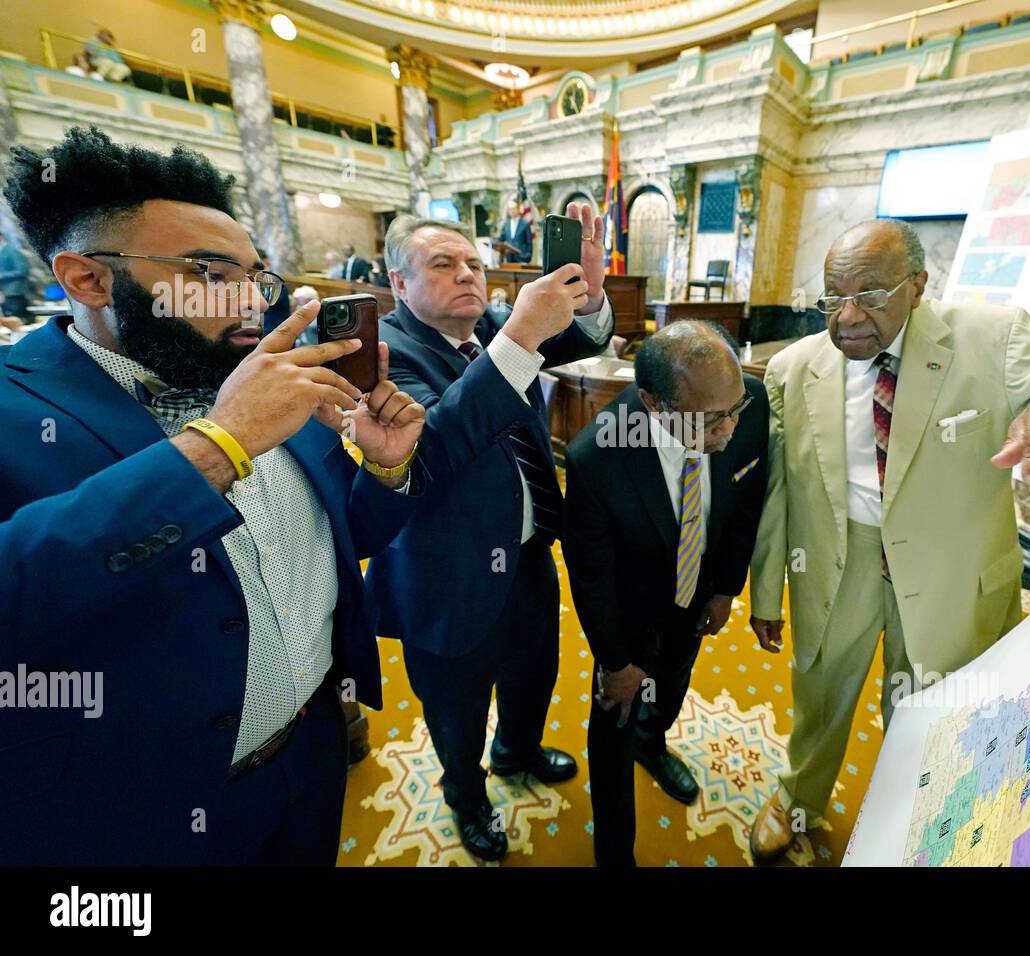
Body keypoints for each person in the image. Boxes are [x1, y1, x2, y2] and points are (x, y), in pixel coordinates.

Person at [0, 127, 434, 865]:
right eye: (207, 272)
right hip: (139, 819)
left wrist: (386, 471)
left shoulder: (267, 377)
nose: (249, 303)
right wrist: (217, 445)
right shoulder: (16, 409)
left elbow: (339, 538)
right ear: (87, 279)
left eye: (256, 276)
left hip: (311, 753)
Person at [746, 218, 1030, 865]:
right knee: (820, 697)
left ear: (918, 285)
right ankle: (798, 799)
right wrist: (766, 595)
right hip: (838, 566)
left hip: (951, 574)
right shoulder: (790, 368)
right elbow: (779, 491)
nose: (847, 317)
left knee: (935, 712)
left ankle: (913, 825)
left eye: (869, 294)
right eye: (832, 297)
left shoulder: (994, 338)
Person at [366, 203, 613, 862]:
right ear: (398, 283)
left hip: (529, 553)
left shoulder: (495, 332)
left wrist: (587, 294)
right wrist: (522, 335)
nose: (467, 275)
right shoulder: (383, 355)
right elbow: (437, 444)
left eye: (474, 263)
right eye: (443, 265)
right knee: (457, 706)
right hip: (445, 576)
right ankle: (465, 797)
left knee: (534, 671)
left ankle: (518, 752)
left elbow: (582, 340)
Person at [563, 321, 769, 867]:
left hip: (695, 597)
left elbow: (747, 501)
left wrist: (726, 588)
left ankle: (653, 746)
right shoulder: (596, 457)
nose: (728, 432)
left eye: (735, 412)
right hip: (629, 620)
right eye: (708, 422)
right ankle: (614, 850)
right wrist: (615, 662)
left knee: (674, 680)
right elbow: (590, 576)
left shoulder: (744, 401)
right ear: (655, 404)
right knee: (615, 725)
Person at [0, 234, 29, 321]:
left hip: (14, 292)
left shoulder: (12, 251)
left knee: (17, 319)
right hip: (5, 293)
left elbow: (22, 270)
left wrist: (1, 275)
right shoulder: (3, 251)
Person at [497, 198, 532, 264]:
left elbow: (529, 243)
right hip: (509, 258)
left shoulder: (525, 224)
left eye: (513, 208)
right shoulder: (506, 224)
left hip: (522, 258)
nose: (512, 211)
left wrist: (527, 257)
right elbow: (501, 239)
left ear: (518, 209)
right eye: (510, 209)